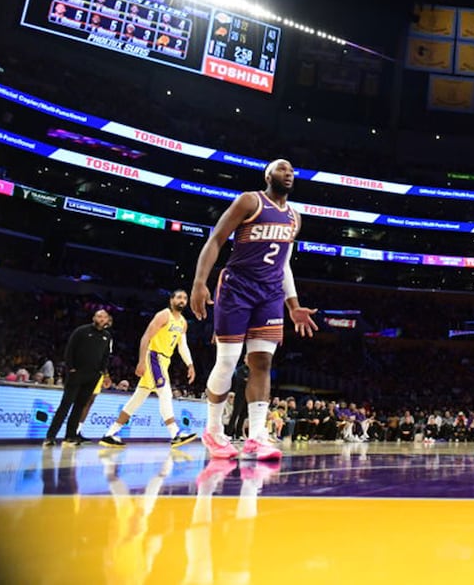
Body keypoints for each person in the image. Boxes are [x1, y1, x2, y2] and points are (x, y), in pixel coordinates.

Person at [190, 158, 318, 461]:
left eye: (292, 170)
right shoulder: (250, 201)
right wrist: (199, 282)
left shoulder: (295, 217)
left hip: (270, 294)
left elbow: (284, 264)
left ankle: (257, 436)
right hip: (238, 287)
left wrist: (294, 305)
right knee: (228, 360)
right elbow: (216, 239)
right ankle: (213, 430)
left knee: (262, 361)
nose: (289, 173)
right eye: (282, 169)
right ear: (268, 175)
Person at [100, 289, 199, 448]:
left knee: (137, 399)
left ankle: (110, 433)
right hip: (154, 357)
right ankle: (175, 433)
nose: (182, 300)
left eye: (185, 298)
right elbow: (146, 337)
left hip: (165, 361)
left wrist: (190, 364)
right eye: (179, 297)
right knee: (165, 393)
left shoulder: (183, 322)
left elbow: (182, 346)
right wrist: (141, 361)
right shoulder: (164, 315)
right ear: (171, 300)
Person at [44, 308, 113, 446]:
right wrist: (71, 368)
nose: (101, 318)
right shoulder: (81, 331)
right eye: (98, 316)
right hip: (77, 374)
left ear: (107, 320)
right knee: (65, 405)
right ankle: (50, 437)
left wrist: (102, 372)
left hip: (93, 376)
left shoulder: (107, 336)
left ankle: (70, 436)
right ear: (94, 318)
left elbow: (106, 356)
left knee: (80, 406)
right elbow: (69, 350)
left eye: (103, 316)